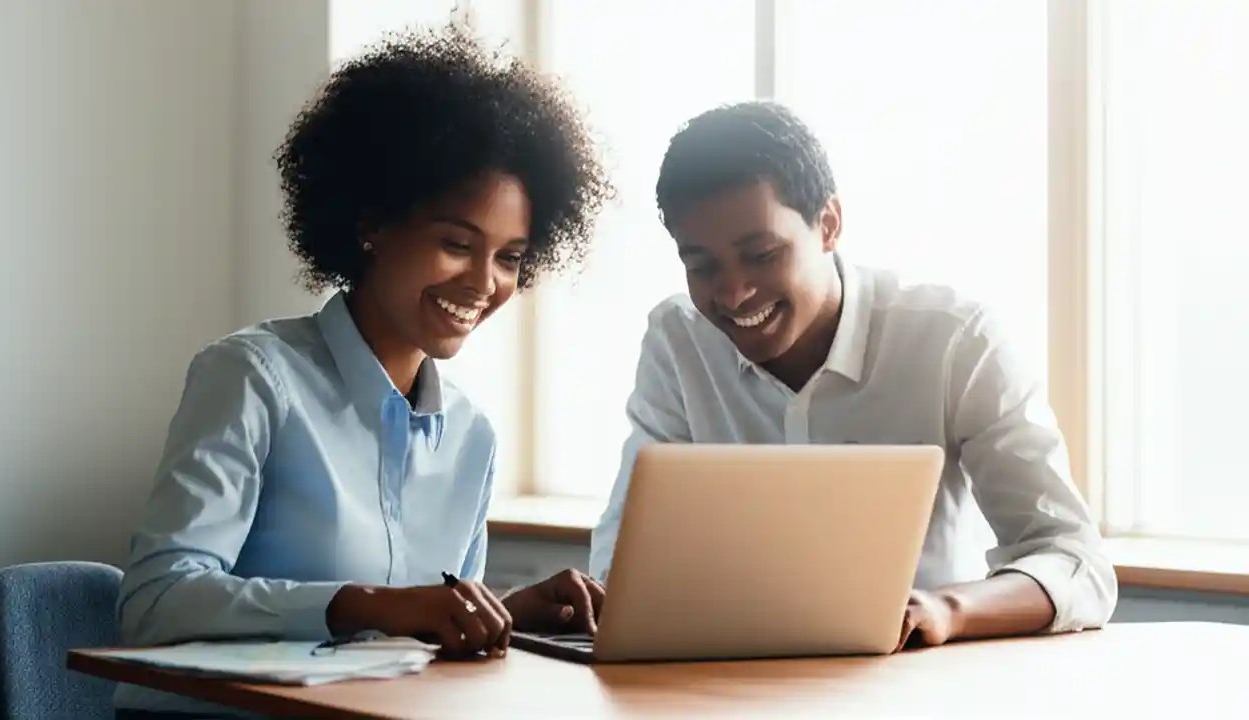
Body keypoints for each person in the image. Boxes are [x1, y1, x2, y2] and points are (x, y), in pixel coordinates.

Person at [115, 26, 612, 716]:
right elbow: (155, 601)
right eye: (456, 244)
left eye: (509, 258)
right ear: (371, 222)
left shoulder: (470, 436)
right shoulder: (253, 377)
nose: (484, 282)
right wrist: (367, 606)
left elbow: (424, 652)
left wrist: (506, 612)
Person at [590, 101, 1117, 651]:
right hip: (724, 684)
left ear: (829, 224)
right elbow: (623, 562)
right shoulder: (678, 342)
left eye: (762, 255)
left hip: (910, 681)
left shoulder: (955, 340)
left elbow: (1076, 562)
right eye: (702, 266)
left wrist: (948, 609)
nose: (732, 292)